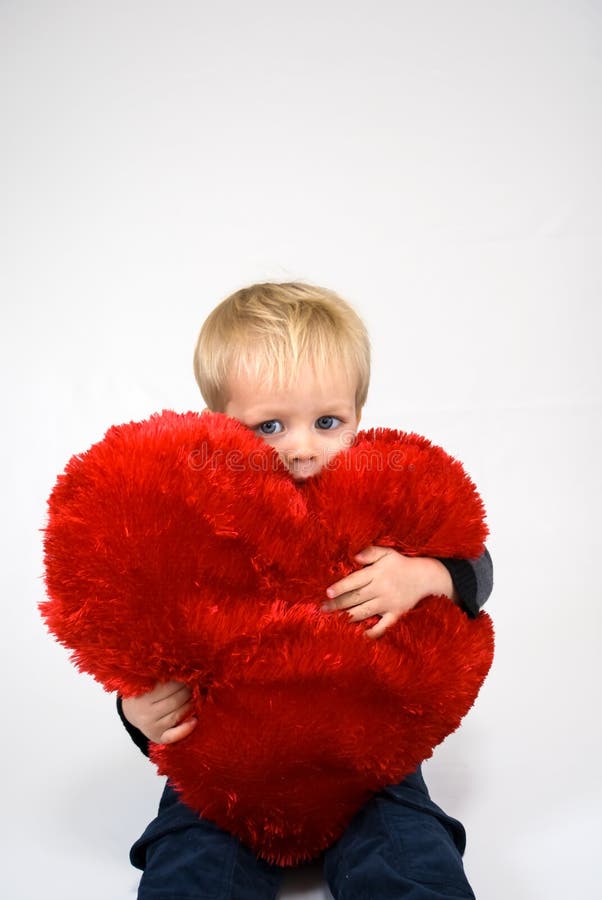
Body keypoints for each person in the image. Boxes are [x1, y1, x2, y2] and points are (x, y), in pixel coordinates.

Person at [119, 281, 493, 899]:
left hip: (363, 749)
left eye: (327, 421)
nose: (302, 448)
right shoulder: (203, 516)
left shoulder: (383, 492)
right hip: (233, 758)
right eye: (269, 425)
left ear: (358, 417)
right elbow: (150, 623)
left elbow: (473, 562)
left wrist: (424, 575)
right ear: (218, 427)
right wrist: (136, 712)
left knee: (402, 837)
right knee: (193, 848)